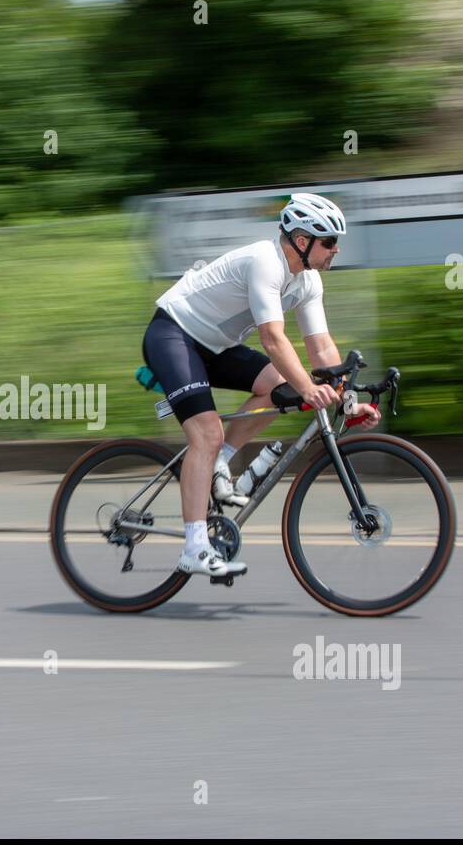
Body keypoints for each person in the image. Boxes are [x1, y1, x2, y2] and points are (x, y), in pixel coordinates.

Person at [142, 193, 381, 578]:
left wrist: (346, 400)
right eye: (330, 242)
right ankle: (194, 547)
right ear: (302, 242)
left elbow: (320, 347)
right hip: (173, 334)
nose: (336, 250)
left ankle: (219, 463)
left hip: (215, 345)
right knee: (206, 432)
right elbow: (273, 339)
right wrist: (309, 389)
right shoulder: (265, 262)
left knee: (280, 386)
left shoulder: (307, 281)